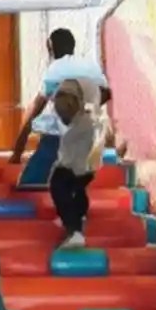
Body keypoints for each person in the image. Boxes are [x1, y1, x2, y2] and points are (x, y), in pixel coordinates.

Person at [10, 28, 111, 188]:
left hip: (58, 136)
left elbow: (35, 110)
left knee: (30, 183)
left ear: (50, 48)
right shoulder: (89, 65)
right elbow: (106, 92)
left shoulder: (55, 69)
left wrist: (18, 151)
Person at [49, 80, 105, 250]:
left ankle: (75, 231)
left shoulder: (82, 125)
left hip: (78, 169)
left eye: (64, 112)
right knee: (76, 192)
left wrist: (58, 168)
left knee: (60, 186)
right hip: (83, 169)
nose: (62, 117)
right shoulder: (81, 121)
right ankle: (77, 216)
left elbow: (70, 155)